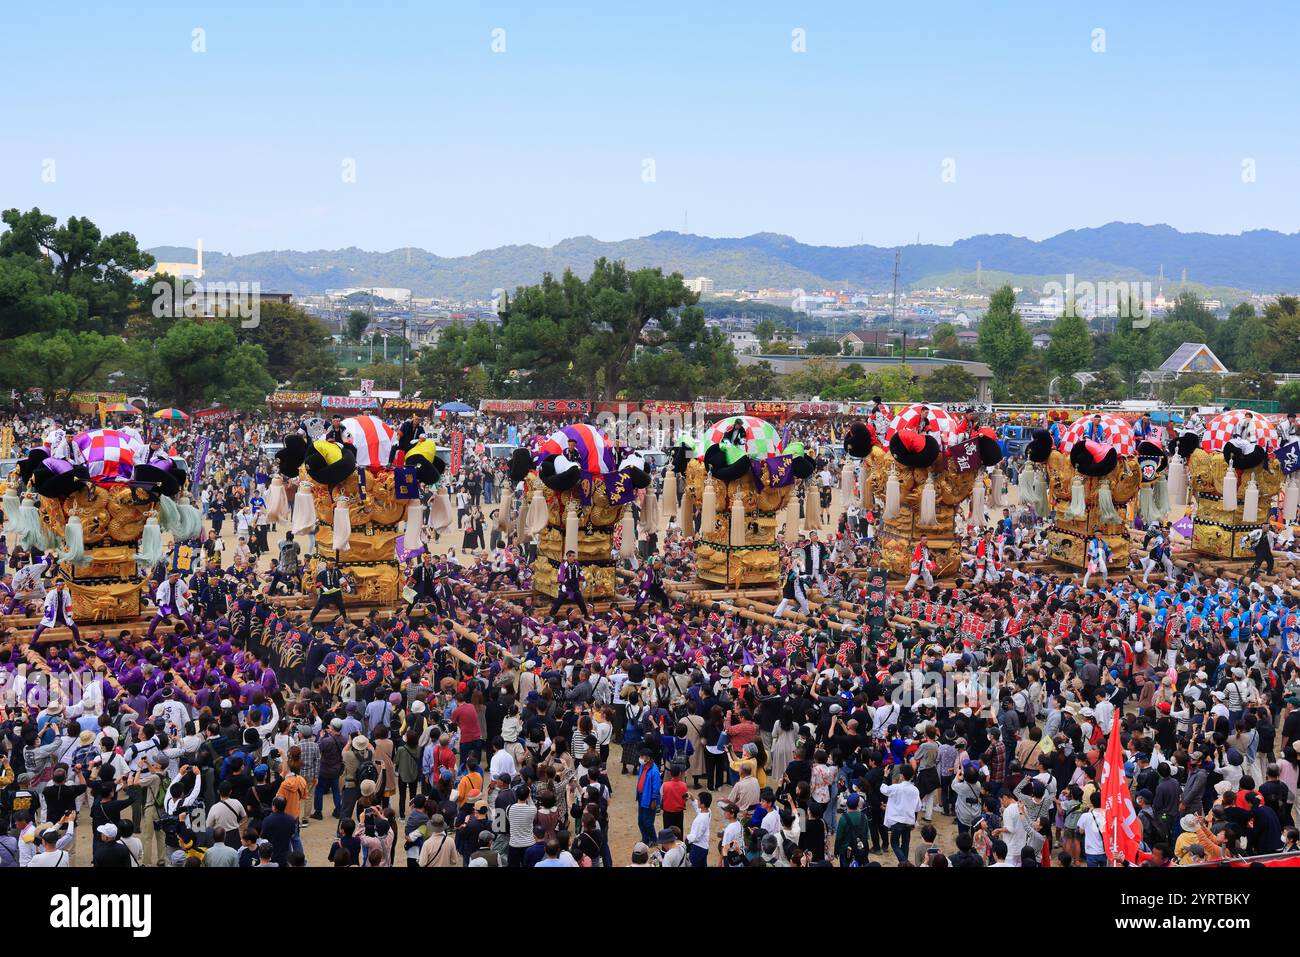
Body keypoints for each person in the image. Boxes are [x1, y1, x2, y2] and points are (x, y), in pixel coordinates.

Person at [310, 558, 351, 624]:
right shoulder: (322, 572)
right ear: (327, 563)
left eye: (334, 564)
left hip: (336, 591)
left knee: (341, 605)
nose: (333, 565)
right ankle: (310, 619)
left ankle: (345, 617)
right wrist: (323, 588)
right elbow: (317, 583)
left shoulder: (337, 571)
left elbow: (341, 579)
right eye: (331, 564)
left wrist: (346, 586)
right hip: (326, 593)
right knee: (318, 606)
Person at [549, 550, 589, 617]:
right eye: (573, 556)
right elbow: (560, 575)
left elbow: (579, 572)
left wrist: (583, 579)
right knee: (559, 601)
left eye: (574, 556)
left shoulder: (576, 564)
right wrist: (562, 584)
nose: (574, 557)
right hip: (566, 586)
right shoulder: (563, 565)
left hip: (575, 585)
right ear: (568, 557)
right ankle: (551, 614)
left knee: (581, 601)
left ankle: (586, 615)